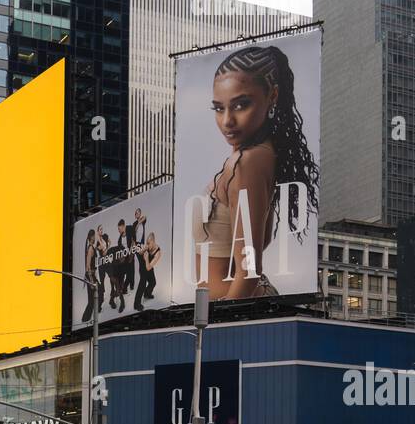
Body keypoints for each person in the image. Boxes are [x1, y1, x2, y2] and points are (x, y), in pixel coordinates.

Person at [193, 43, 320, 301]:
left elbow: (249, 268)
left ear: (272, 96)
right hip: (236, 308)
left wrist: (221, 326)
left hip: (239, 311)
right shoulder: (258, 155)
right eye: (219, 108)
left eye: (241, 105)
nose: (227, 120)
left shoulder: (249, 161)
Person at [133, 232, 163, 312]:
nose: (147, 245)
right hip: (143, 266)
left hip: (148, 265)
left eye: (149, 243)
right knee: (142, 284)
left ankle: (147, 294)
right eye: (146, 243)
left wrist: (146, 259)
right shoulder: (147, 245)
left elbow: (149, 267)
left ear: (153, 241)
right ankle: (136, 304)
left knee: (153, 282)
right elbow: (140, 253)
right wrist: (143, 251)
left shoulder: (158, 253)